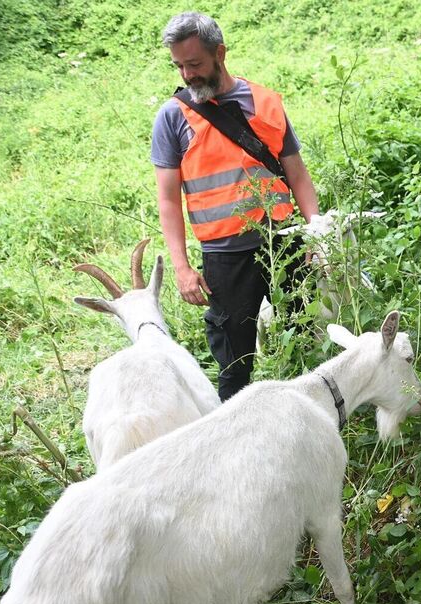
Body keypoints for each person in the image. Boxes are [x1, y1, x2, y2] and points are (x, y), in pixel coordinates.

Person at [151, 11, 319, 401]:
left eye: (194, 64)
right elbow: (167, 200)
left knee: (304, 345)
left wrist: (316, 235)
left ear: (220, 53)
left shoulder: (265, 103)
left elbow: (298, 175)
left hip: (286, 245)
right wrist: (181, 268)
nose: (187, 75)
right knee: (233, 367)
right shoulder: (173, 117)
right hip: (225, 261)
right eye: (179, 66)